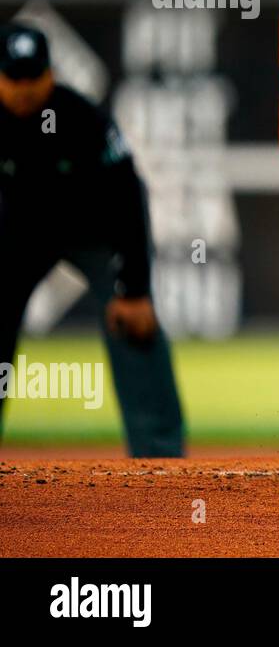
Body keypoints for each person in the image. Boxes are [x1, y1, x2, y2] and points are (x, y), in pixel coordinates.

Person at [0, 22, 184, 456]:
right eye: (14, 78)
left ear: (50, 74)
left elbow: (127, 197)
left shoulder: (81, 118)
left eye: (34, 76)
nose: (25, 89)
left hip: (93, 231)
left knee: (133, 322)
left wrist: (134, 288)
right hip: (18, 235)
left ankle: (159, 455)